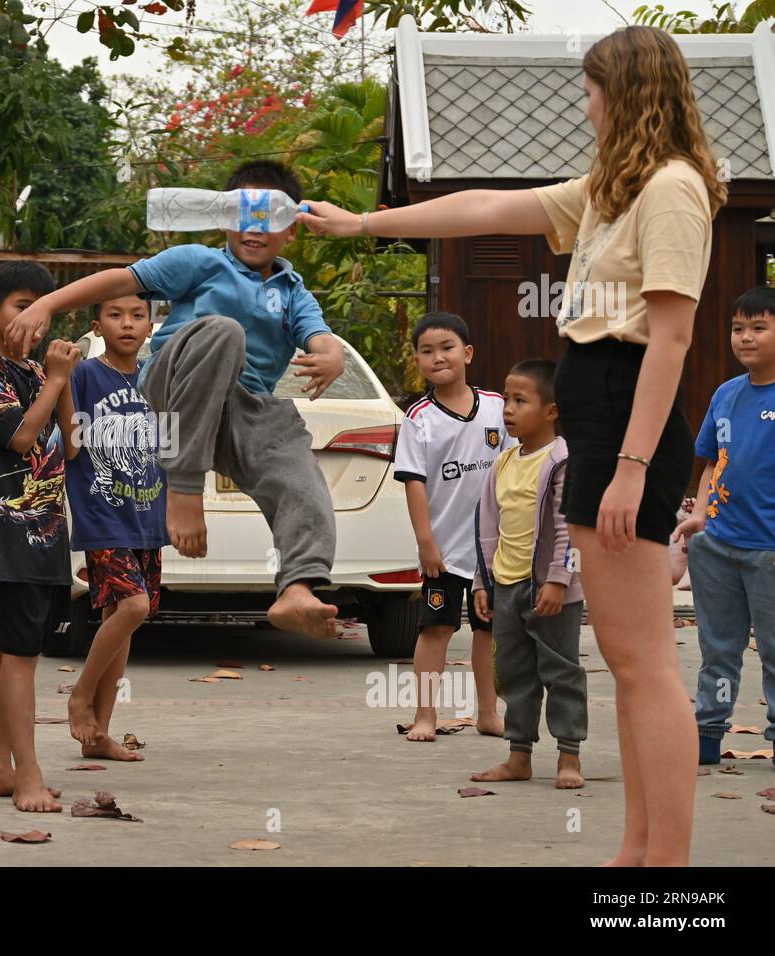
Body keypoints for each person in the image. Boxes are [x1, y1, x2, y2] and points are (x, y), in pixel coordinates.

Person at [299, 25, 724, 865]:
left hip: (628, 412)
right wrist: (365, 224)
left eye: (595, 88)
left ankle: (666, 868)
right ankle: (637, 853)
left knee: (644, 666)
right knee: (630, 664)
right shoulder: (613, 187)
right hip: (598, 404)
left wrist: (633, 468)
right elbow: (489, 205)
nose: (587, 103)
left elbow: (671, 340)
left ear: (629, 91)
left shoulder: (672, 188)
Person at [8, 160, 346, 639]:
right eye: (241, 215)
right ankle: (184, 492)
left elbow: (321, 337)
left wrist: (332, 357)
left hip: (243, 410)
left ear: (291, 229)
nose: (253, 229)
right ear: (223, 217)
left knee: (300, 476)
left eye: (268, 219)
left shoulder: (292, 292)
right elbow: (116, 281)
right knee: (224, 333)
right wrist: (46, 304)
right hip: (173, 388)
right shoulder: (200, 262)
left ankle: (296, 587)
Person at [0, 260, 78, 813]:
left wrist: (63, 380)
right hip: (5, 535)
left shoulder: (35, 372)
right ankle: (26, 774)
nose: (33, 322)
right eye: (20, 308)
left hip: (45, 529)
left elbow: (72, 445)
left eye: (41, 312)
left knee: (14, 651)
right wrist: (54, 380)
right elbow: (22, 436)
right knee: (19, 655)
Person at [58, 292, 167, 757]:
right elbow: (70, 447)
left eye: (137, 316)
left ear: (150, 325)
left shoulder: (159, 377)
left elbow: (173, 444)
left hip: (148, 513)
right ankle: (80, 694)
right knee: (133, 607)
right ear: (97, 325)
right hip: (103, 514)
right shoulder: (85, 375)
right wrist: (62, 380)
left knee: (120, 620)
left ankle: (99, 735)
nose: (127, 323)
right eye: (115, 315)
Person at [471, 359, 588, 788]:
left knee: (561, 671)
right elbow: (486, 529)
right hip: (507, 586)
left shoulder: (562, 461)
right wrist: (482, 581)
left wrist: (559, 578)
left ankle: (569, 757)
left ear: (551, 411)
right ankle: (518, 755)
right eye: (506, 399)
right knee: (516, 674)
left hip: (552, 590)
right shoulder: (502, 463)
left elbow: (570, 527)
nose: (508, 409)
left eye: (520, 400)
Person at [393, 312, 509, 741]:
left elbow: (516, 472)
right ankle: (426, 715)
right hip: (444, 550)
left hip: (494, 551)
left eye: (447, 348)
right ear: (418, 360)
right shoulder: (418, 417)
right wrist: (426, 542)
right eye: (426, 351)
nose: (437, 357)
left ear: (467, 353)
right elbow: (414, 482)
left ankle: (488, 713)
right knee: (436, 628)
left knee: (489, 630)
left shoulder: (498, 408)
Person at [672, 287, 775, 767]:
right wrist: (700, 515)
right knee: (718, 649)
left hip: (769, 551)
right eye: (738, 328)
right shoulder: (726, 394)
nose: (745, 338)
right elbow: (714, 462)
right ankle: (709, 735)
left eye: (759, 327)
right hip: (717, 546)